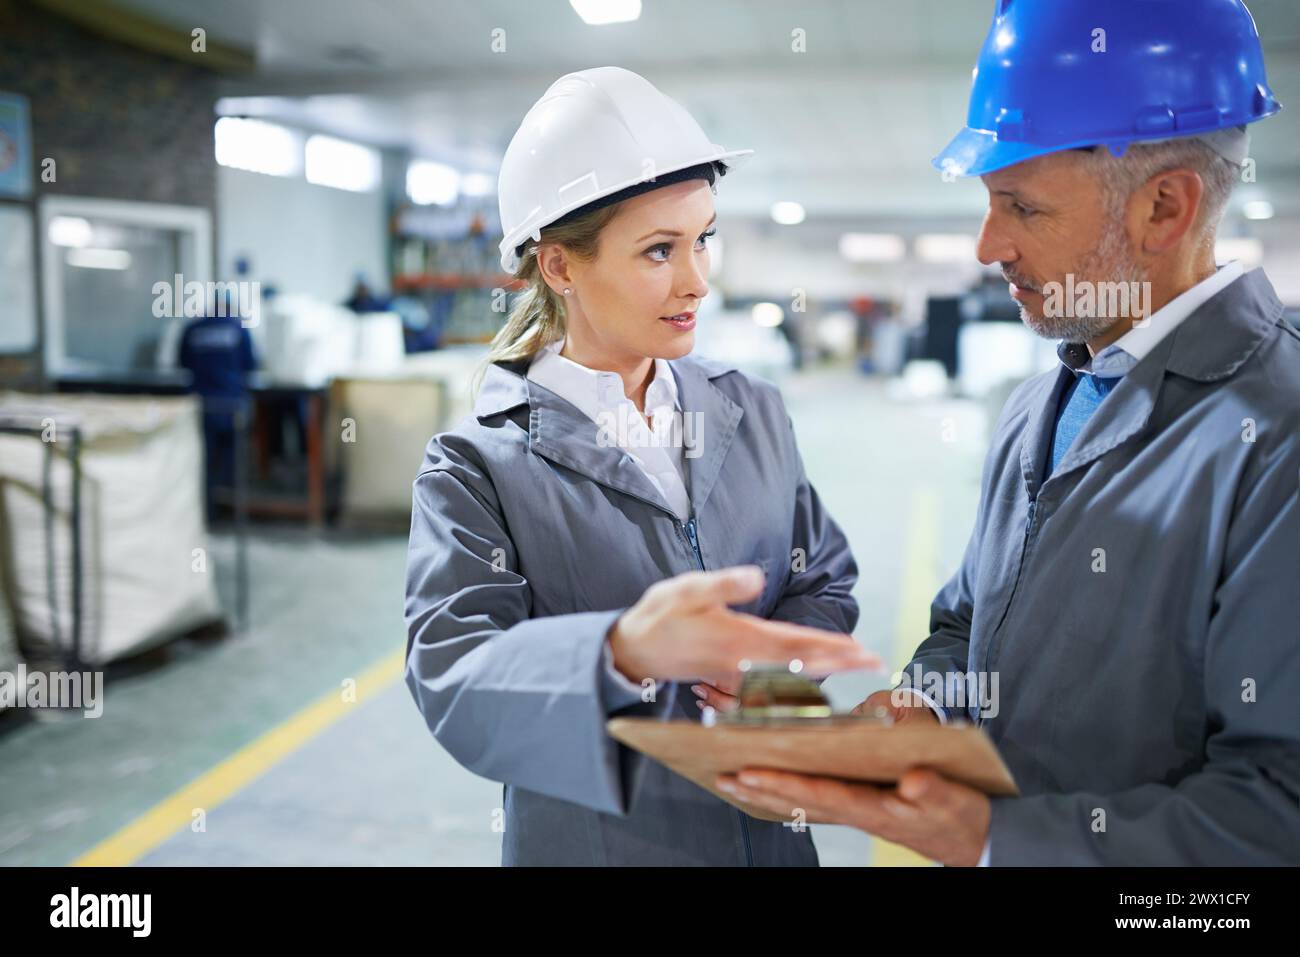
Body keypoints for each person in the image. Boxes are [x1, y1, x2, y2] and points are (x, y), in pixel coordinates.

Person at [719, 0, 1300, 865]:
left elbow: (1275, 812)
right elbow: (968, 623)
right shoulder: (1040, 403)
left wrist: (994, 839)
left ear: (1165, 209)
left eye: (1021, 208)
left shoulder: (1276, 435)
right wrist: (920, 706)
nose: (987, 245)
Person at [404, 67, 877, 865]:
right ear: (559, 267)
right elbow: (455, 682)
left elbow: (821, 578)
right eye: (659, 250)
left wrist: (779, 667)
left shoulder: (749, 408)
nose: (697, 281)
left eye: (704, 239)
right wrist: (621, 653)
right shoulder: (476, 465)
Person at [178, 290, 257, 517]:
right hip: (231, 405)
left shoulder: (193, 329)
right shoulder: (238, 330)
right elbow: (250, 364)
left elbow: (183, 362)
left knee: (202, 460)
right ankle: (231, 512)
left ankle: (205, 511)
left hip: (201, 406)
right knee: (233, 462)